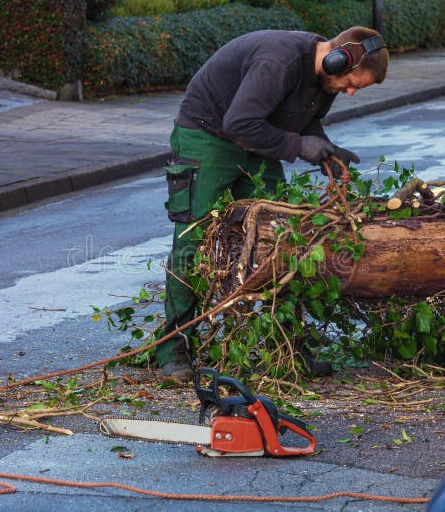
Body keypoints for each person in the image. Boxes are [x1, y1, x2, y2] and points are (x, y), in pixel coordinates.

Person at [157, 26, 390, 381]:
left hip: (255, 140)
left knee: (282, 238)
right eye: (354, 82)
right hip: (209, 135)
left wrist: (325, 149)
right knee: (193, 240)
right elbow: (239, 123)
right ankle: (173, 351)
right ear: (338, 59)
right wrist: (298, 147)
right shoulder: (277, 61)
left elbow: (305, 121)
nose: (353, 92)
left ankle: (286, 346)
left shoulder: (325, 78)